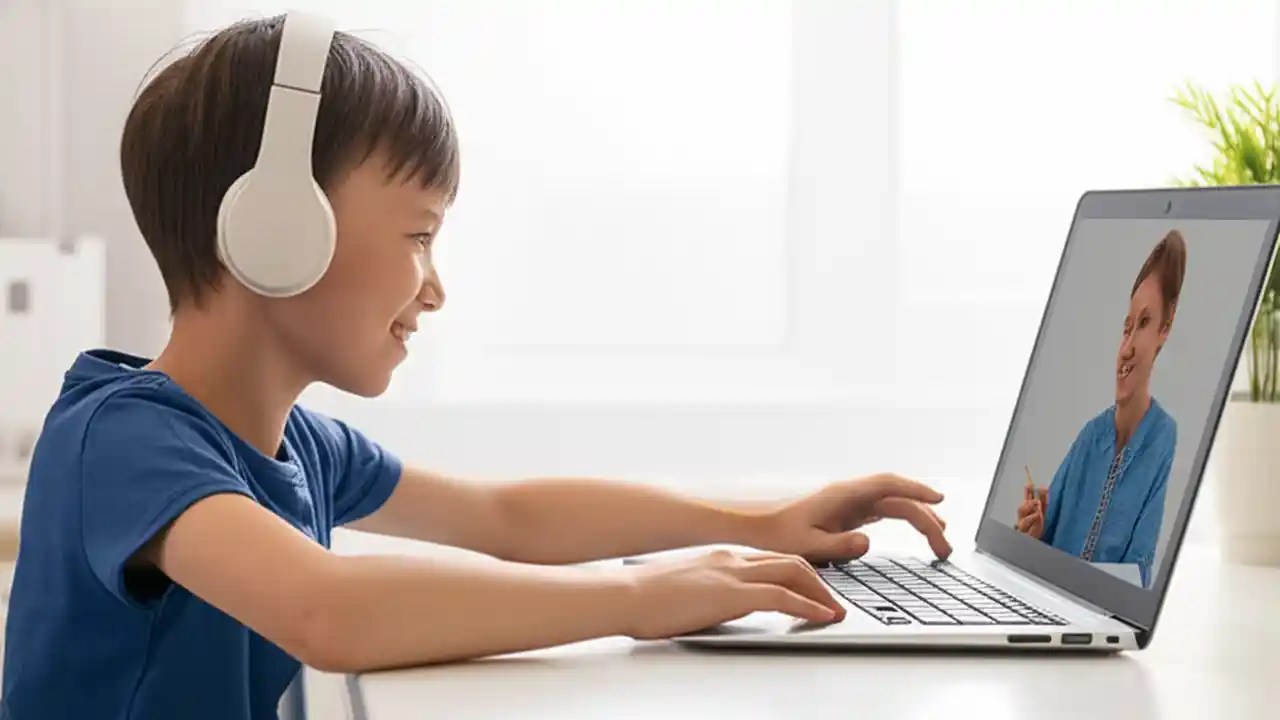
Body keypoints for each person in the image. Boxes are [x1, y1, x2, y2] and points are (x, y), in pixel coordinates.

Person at [0, 15, 954, 720]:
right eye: (419, 234)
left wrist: (759, 518)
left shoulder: (295, 447)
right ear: (276, 231)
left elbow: (507, 517)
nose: (434, 287)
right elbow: (327, 612)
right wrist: (638, 599)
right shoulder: (120, 439)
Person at [1016, 230, 1186, 588]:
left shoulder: (1162, 437)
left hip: (1092, 612)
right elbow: (1039, 548)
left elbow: (1138, 575)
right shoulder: (1090, 435)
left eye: (1143, 324)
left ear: (1164, 330)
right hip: (1050, 604)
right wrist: (1031, 536)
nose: (1125, 348)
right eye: (1125, 328)